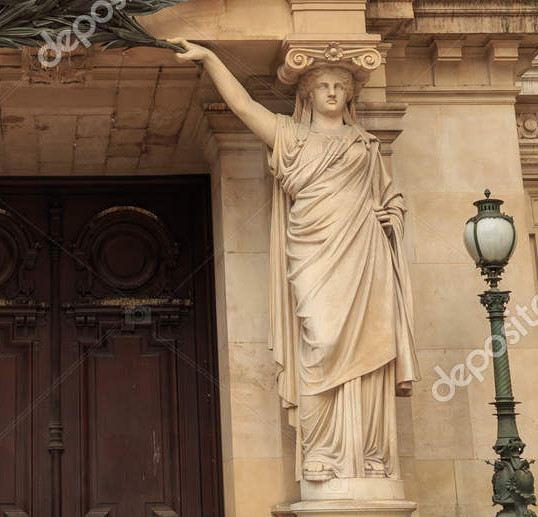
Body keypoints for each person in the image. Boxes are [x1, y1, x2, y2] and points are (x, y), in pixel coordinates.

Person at [172, 41, 416, 482]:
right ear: (307, 93)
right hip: (314, 254)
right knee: (319, 343)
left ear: (348, 95)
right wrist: (211, 59)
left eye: (339, 86)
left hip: (364, 252)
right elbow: (244, 107)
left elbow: (391, 196)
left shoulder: (365, 144)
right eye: (322, 85)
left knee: (373, 349)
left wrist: (391, 215)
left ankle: (369, 452)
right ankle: (322, 447)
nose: (331, 92)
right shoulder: (291, 136)